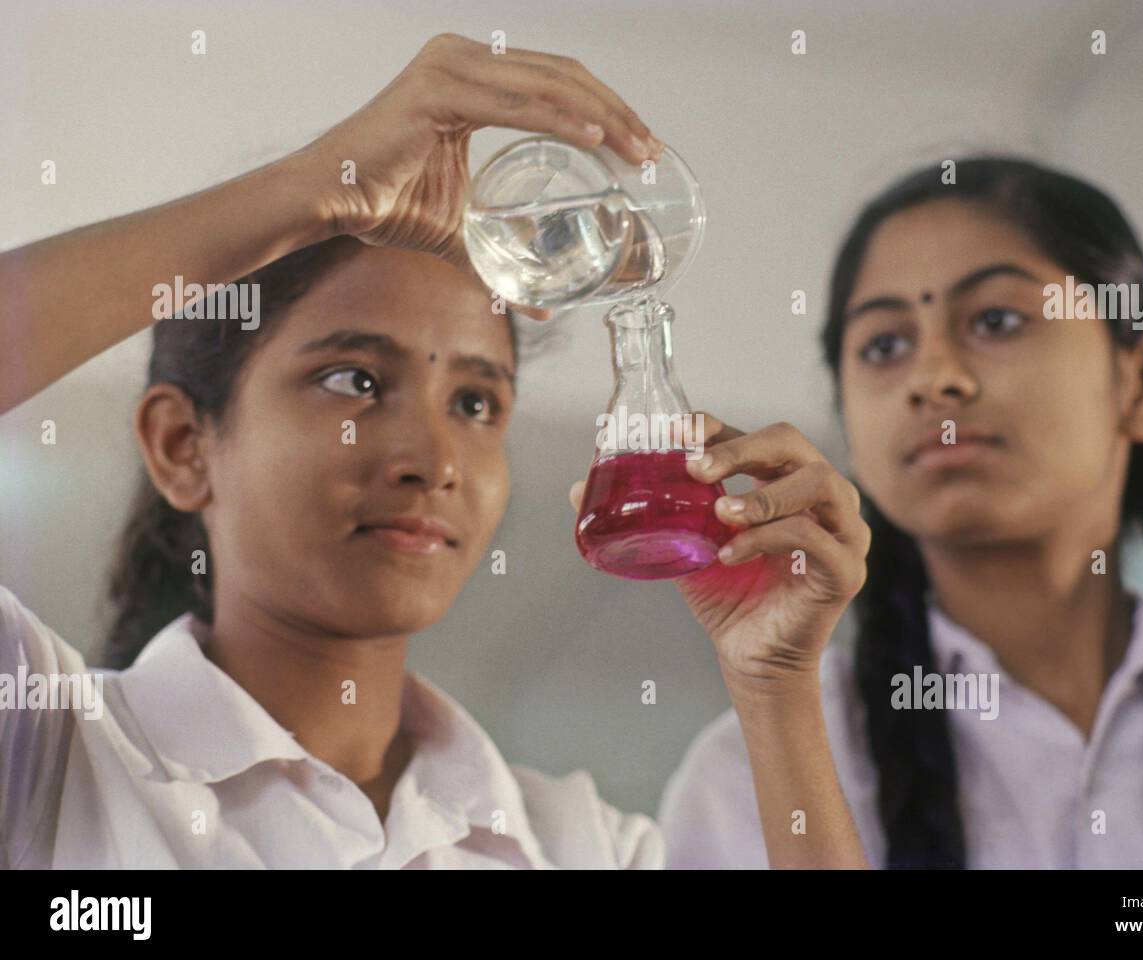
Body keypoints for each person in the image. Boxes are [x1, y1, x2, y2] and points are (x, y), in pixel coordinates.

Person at [0, 34, 871, 869]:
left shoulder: (577, 845)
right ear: (182, 444)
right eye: (354, 381)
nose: (434, 457)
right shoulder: (50, 755)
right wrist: (311, 187)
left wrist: (776, 687)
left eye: (474, 401)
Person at [659, 157, 1143, 869]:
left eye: (996, 320)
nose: (934, 380)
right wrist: (775, 699)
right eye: (885, 346)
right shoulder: (754, 769)